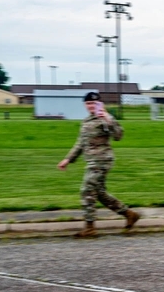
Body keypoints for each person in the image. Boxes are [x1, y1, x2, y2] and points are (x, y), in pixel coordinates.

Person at [57, 91, 139, 237]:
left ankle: (90, 228)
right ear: (85, 105)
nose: (91, 106)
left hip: (102, 161)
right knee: (99, 193)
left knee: (87, 190)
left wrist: (108, 120)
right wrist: (68, 159)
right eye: (88, 103)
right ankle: (129, 214)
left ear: (100, 104)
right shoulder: (87, 121)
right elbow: (81, 143)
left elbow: (119, 135)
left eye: (94, 103)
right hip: (91, 161)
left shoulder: (104, 118)